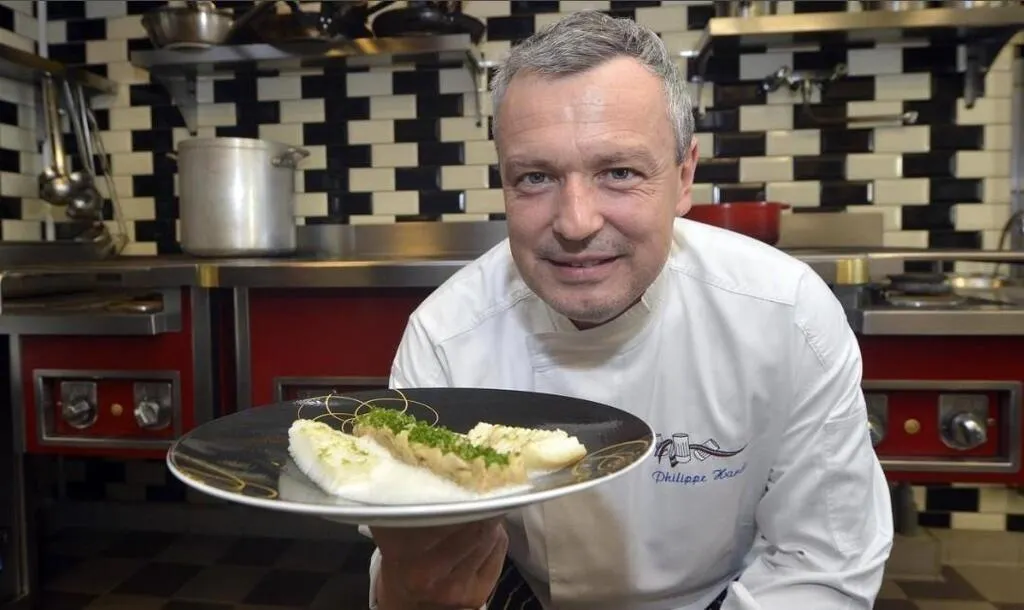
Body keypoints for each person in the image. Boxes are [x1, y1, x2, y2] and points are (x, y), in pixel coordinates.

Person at [362, 10, 894, 610]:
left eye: (619, 172)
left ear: (684, 176)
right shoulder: (446, 338)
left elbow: (822, 561)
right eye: (535, 177)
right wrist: (414, 593)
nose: (576, 223)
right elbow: (414, 563)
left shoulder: (786, 315)